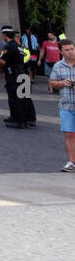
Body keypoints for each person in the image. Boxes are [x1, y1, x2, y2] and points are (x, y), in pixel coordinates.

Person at [0, 26, 37, 128]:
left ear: (5, 35)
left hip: (14, 74)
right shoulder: (20, 47)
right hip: (23, 73)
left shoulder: (9, 46)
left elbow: (3, 62)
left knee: (18, 98)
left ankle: (21, 121)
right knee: (22, 97)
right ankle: (24, 119)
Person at [48, 38, 75, 171]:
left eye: (72, 49)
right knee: (70, 134)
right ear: (61, 52)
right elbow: (52, 82)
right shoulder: (58, 65)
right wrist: (62, 83)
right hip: (66, 105)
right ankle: (72, 162)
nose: (70, 52)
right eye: (67, 50)